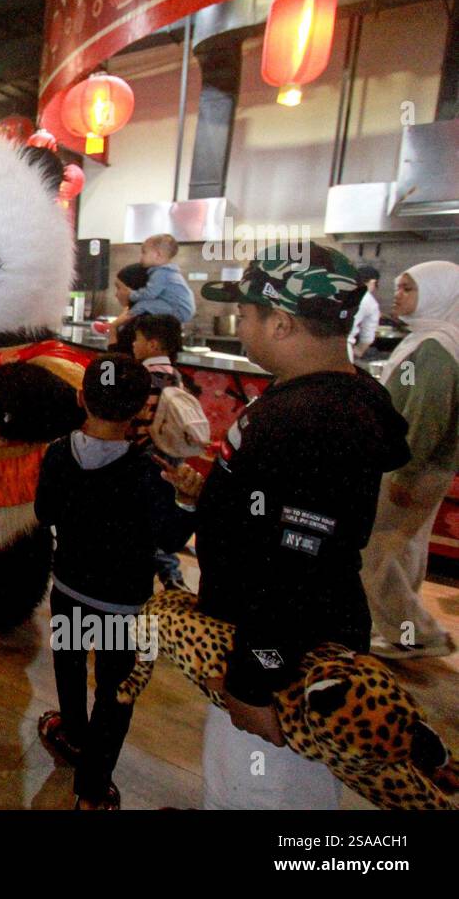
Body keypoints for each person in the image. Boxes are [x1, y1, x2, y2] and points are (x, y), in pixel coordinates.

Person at [167, 244, 411, 809]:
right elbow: (280, 519)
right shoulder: (327, 396)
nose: (241, 325)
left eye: (246, 315)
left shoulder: (312, 421)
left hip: (287, 671)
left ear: (281, 322)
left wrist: (254, 683)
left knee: (257, 795)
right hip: (271, 646)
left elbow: (296, 568)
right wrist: (222, 501)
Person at [34, 355, 197, 810]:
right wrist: (186, 502)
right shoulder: (152, 473)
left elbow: (44, 513)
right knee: (115, 691)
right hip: (124, 608)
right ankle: (92, 789)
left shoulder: (56, 452)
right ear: (142, 409)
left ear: (82, 397)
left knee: (67, 664)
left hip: (68, 590)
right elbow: (167, 538)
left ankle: (71, 733)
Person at [361, 261, 459, 660]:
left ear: (436, 294)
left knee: (375, 550)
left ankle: (417, 634)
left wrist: (406, 472)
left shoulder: (435, 349)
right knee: (401, 551)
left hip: (411, 466)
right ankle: (402, 630)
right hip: (420, 466)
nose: (396, 295)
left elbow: (424, 414)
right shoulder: (433, 339)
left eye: (407, 289)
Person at [130, 313, 192, 591]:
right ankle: (171, 573)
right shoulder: (176, 376)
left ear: (153, 344)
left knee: (144, 517)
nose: (133, 344)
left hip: (146, 457)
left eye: (138, 339)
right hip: (171, 455)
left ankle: (162, 571)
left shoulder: (144, 376)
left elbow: (136, 420)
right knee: (161, 513)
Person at [110, 234, 195, 332]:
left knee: (142, 305)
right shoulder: (167, 272)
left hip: (178, 309)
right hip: (179, 308)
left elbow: (149, 293)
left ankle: (125, 323)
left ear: (158, 255)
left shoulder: (161, 273)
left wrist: (131, 294)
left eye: (144, 253)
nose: (141, 257)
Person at [104, 263, 150, 355]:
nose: (116, 294)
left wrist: (113, 328)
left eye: (119, 288)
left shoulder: (141, 325)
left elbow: (113, 364)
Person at [348, 264, 381, 360]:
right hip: (343, 350)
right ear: (373, 281)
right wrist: (358, 352)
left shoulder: (339, 289)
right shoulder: (370, 301)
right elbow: (367, 338)